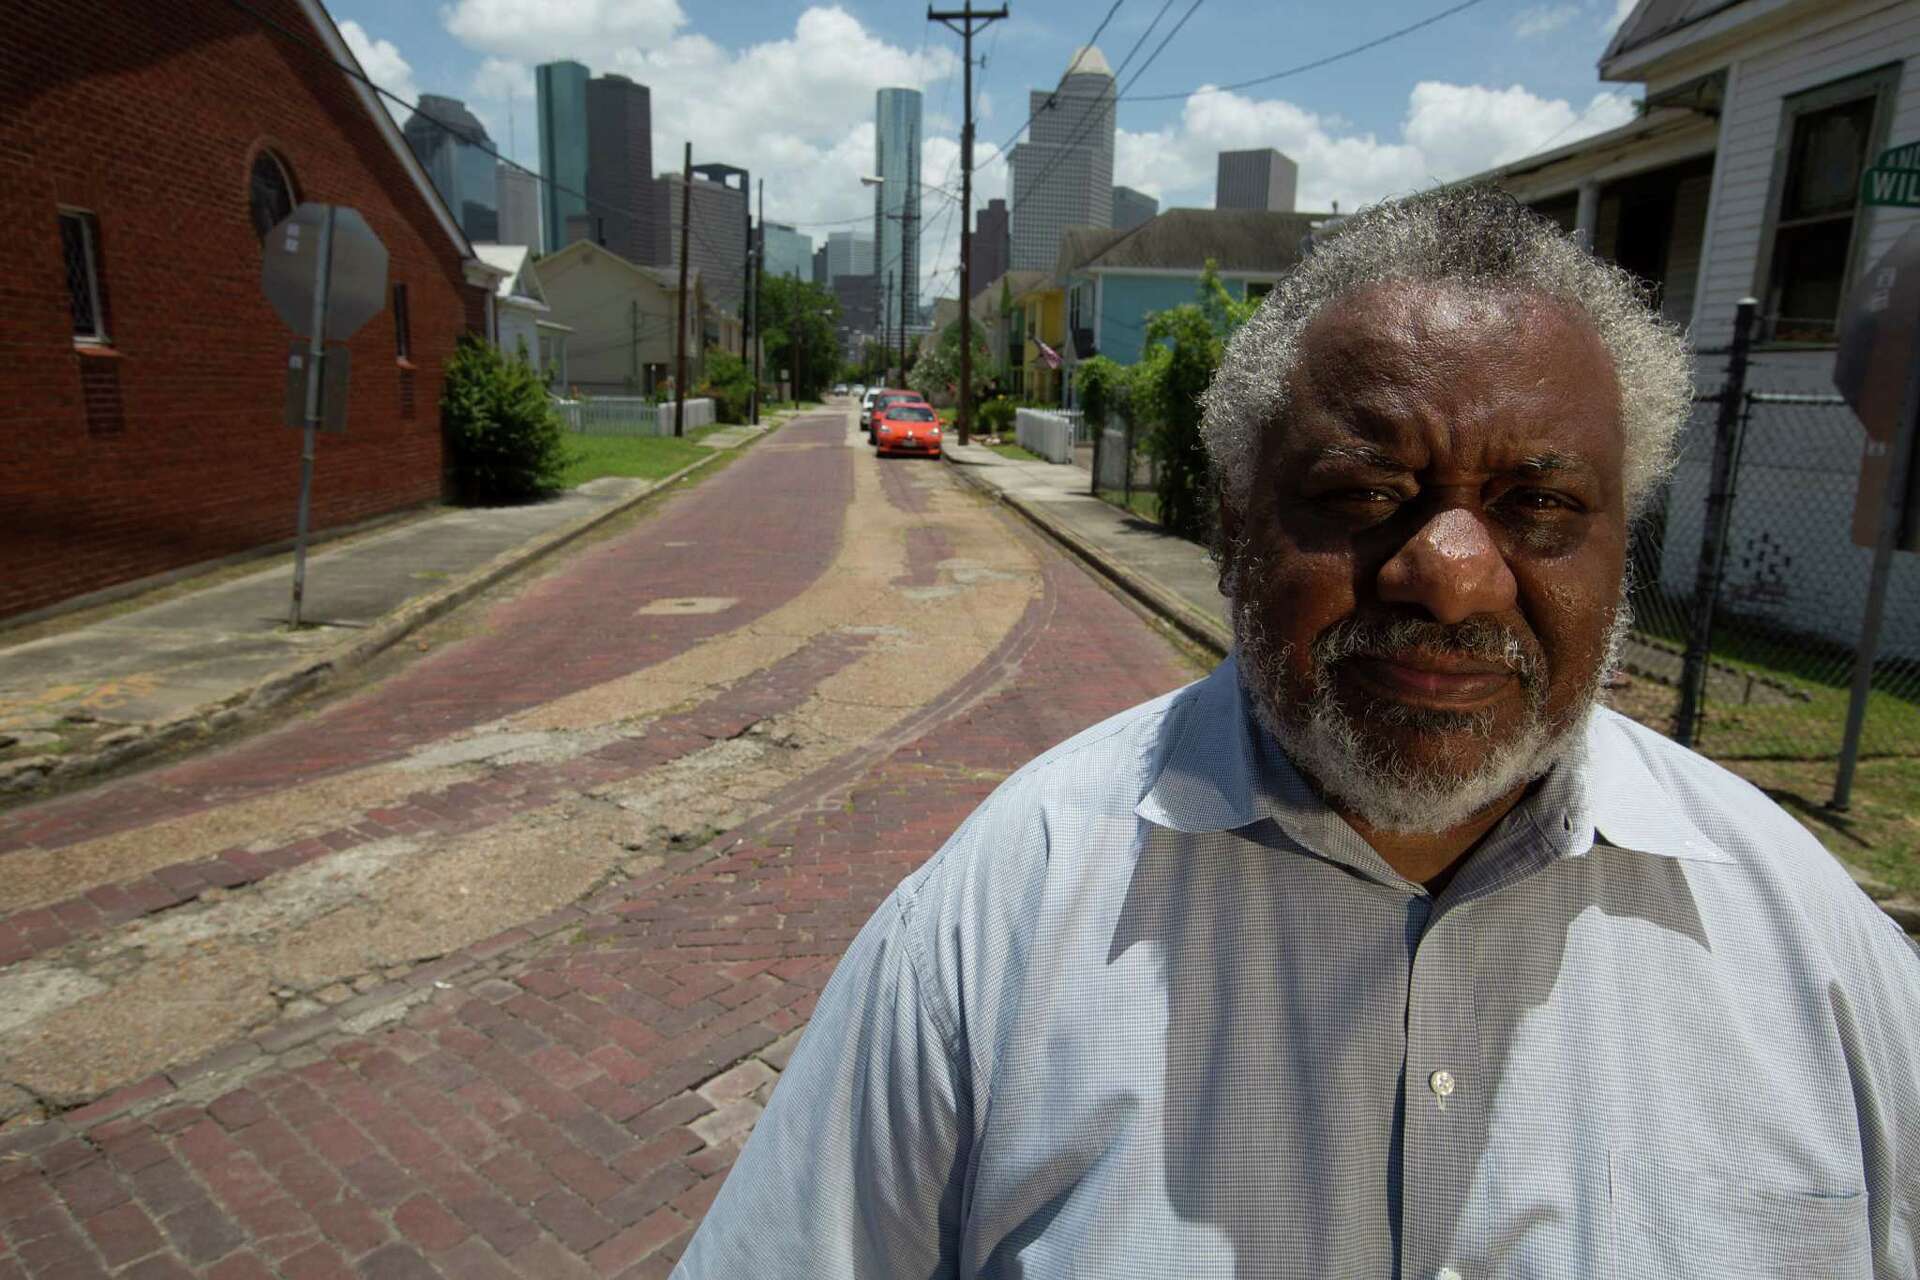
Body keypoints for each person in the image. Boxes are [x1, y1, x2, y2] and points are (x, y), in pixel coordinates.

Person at [673, 188, 1920, 1278]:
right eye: (1366, 493)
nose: (1452, 573)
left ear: (1619, 551)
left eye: (1539, 503)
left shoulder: (1818, 951)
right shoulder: (993, 923)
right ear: (1232, 522)